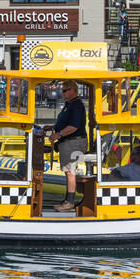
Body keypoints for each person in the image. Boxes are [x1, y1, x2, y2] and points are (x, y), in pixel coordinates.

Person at [50, 81, 89, 211]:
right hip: (69, 141)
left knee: (70, 171)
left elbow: (74, 126)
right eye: (63, 90)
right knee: (68, 171)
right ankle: (67, 200)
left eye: (65, 90)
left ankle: (70, 202)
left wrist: (58, 135)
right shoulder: (70, 104)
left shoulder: (76, 105)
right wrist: (53, 128)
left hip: (74, 141)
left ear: (73, 90)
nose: (63, 93)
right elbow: (66, 122)